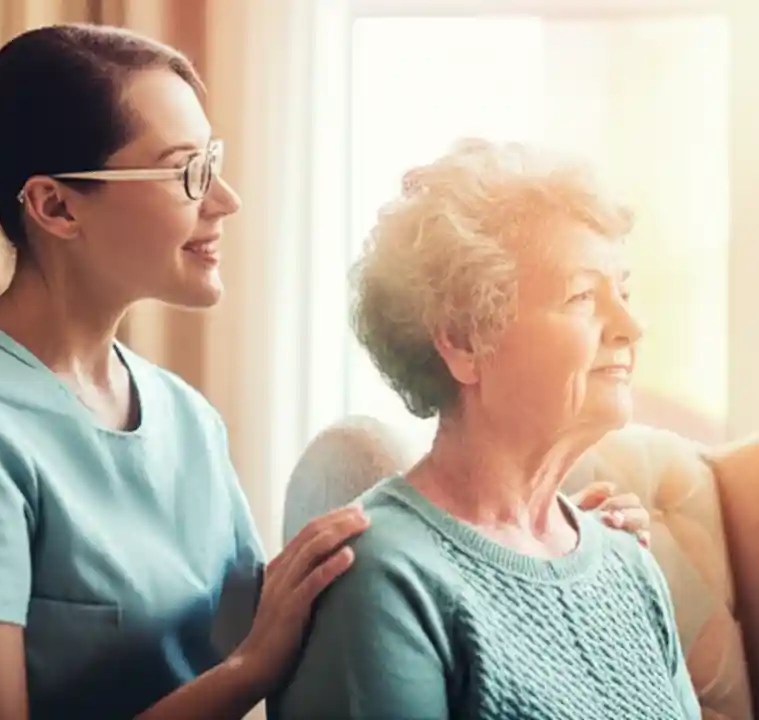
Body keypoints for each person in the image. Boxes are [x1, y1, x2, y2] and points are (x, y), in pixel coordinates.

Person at [0, 24, 654, 720]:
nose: (224, 199)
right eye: (187, 170)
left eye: (216, 161)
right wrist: (245, 677)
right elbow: (249, 655)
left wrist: (529, 545)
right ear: (55, 207)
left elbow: (273, 620)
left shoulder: (185, 419)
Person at [273, 139, 702, 719]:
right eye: (582, 296)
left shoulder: (628, 565)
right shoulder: (383, 580)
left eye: (622, 293)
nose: (631, 325)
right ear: (463, 340)